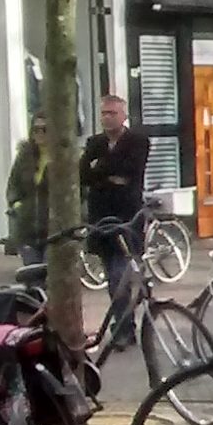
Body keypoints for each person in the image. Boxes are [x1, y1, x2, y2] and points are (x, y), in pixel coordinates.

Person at [81, 94, 150, 338]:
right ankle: (125, 325)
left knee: (119, 274)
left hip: (127, 216)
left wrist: (100, 170)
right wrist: (109, 175)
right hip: (101, 217)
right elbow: (83, 175)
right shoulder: (94, 143)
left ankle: (123, 328)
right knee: (112, 276)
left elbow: (131, 170)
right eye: (103, 113)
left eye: (112, 113)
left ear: (124, 116)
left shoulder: (138, 141)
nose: (107, 118)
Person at [5, 113, 51, 265]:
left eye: (44, 130)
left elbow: (81, 191)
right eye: (36, 130)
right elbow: (13, 185)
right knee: (32, 276)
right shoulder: (25, 156)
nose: (40, 134)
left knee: (50, 278)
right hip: (27, 229)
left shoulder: (64, 157)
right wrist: (18, 206)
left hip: (54, 232)